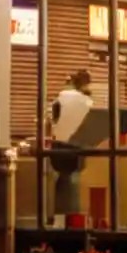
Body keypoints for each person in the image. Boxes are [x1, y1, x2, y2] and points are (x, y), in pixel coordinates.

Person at [49, 70, 93, 225]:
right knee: (74, 181)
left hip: (58, 146)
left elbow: (54, 120)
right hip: (77, 145)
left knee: (61, 180)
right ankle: (73, 220)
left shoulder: (60, 98)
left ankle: (59, 219)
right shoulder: (87, 101)